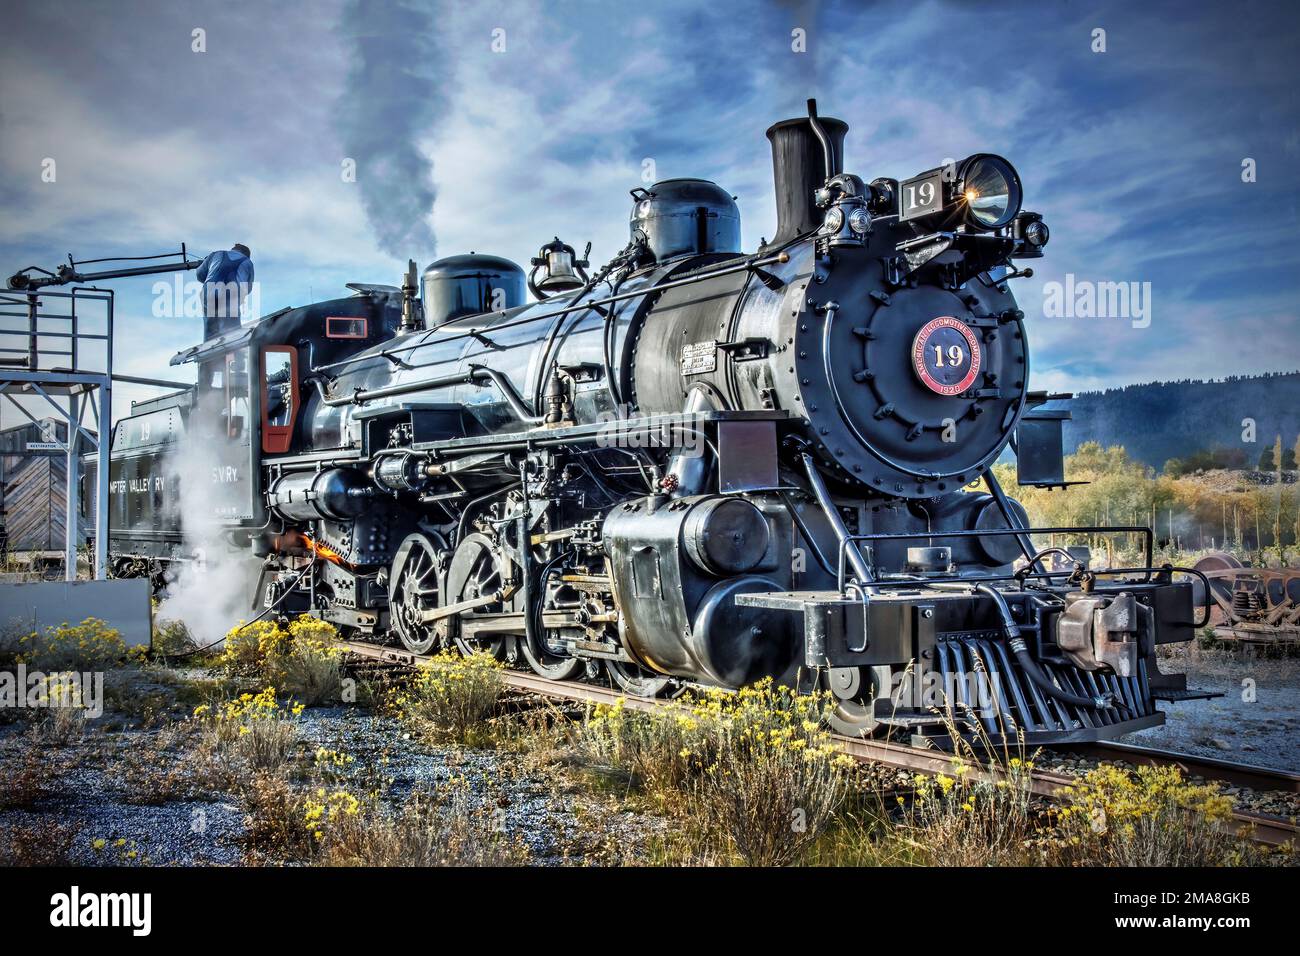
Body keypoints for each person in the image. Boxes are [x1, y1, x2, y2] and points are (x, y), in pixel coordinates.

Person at [196, 243, 254, 339]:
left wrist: (208, 265)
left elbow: (200, 275)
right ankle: (232, 345)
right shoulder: (248, 262)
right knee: (232, 331)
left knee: (210, 330)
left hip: (209, 292)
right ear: (247, 254)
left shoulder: (216, 254)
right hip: (231, 294)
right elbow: (248, 289)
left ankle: (209, 346)